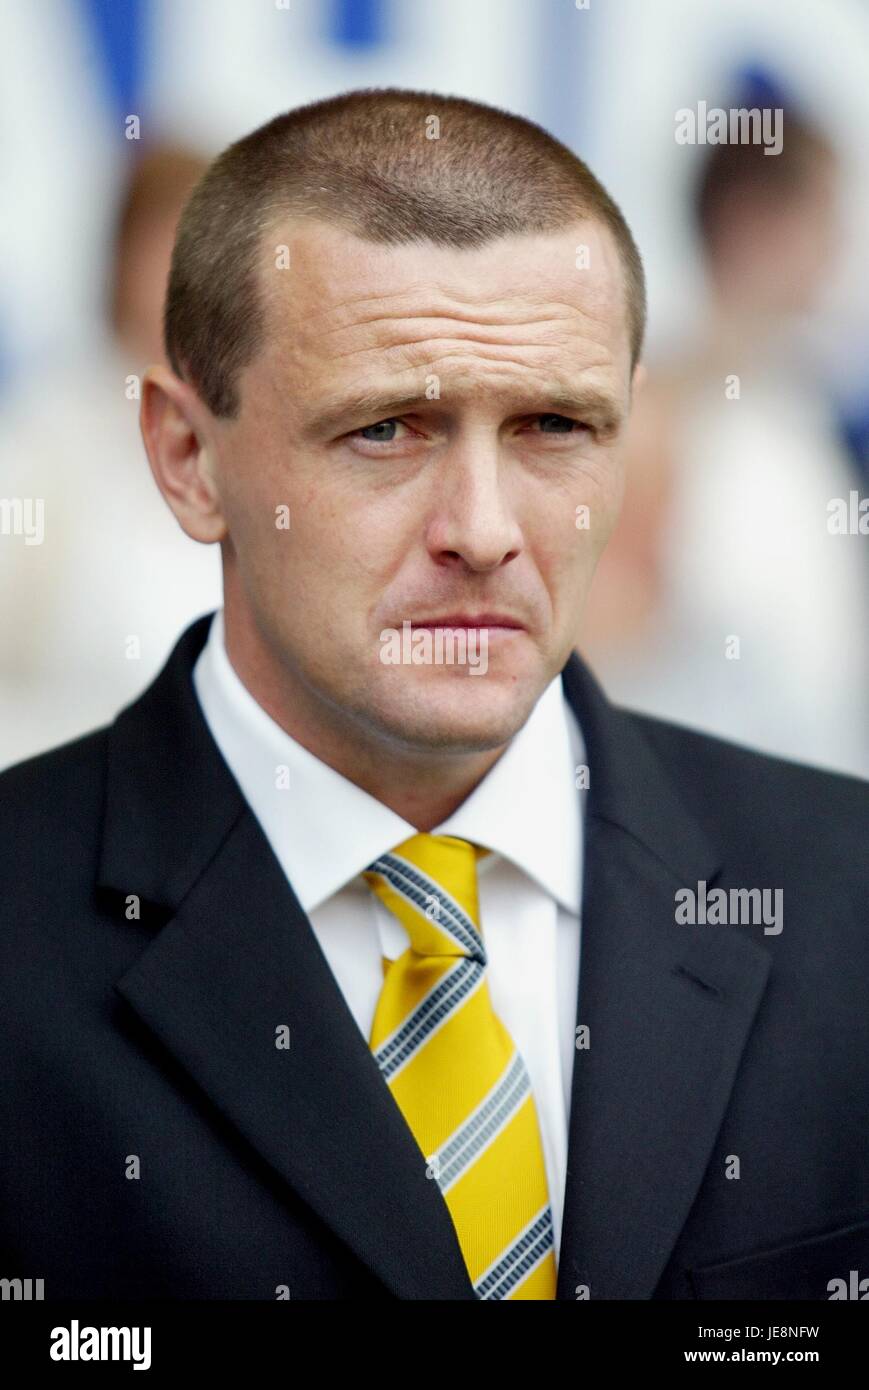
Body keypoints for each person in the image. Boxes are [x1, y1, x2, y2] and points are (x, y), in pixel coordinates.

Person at [0, 88, 866, 1302]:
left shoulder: (841, 894)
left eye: (553, 424)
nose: (483, 529)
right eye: (388, 429)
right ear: (188, 458)